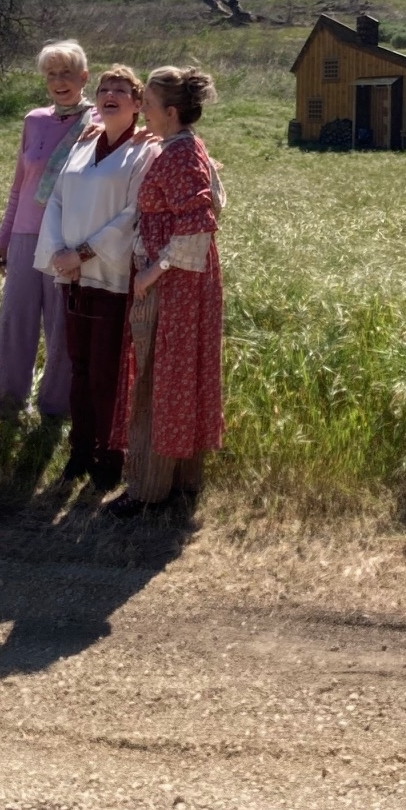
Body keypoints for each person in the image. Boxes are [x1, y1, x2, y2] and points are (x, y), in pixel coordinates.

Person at [35, 65, 157, 490]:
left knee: (108, 370)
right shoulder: (83, 146)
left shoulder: (145, 151)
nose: (110, 95)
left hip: (109, 275)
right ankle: (79, 451)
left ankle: (111, 455)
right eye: (105, 88)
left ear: (138, 105)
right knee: (79, 368)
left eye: (121, 91)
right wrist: (57, 254)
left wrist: (83, 253)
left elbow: (133, 215)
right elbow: (56, 200)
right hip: (70, 276)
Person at [110, 66, 224, 515]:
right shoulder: (187, 148)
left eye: (151, 107)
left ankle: (147, 489)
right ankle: (181, 481)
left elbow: (197, 223)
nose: (144, 114)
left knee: (157, 379)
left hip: (173, 286)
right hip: (190, 282)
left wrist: (149, 274)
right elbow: (212, 203)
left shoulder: (178, 155)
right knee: (182, 374)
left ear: (171, 112)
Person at [0, 41, 95, 421]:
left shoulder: (99, 123)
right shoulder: (34, 120)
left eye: (66, 73)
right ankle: (7, 406)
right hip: (23, 236)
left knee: (62, 327)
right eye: (51, 74)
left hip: (65, 239)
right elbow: (20, 185)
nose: (58, 81)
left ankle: (56, 410)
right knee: (15, 322)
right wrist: (3, 237)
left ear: (84, 77)